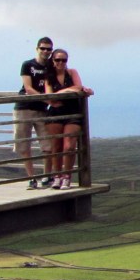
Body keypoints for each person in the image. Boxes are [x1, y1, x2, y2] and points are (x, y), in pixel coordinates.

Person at [42, 49, 93, 190]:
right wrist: (68, 91)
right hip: (55, 113)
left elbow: (77, 87)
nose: (60, 63)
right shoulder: (49, 77)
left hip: (73, 113)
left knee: (69, 146)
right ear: (52, 61)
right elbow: (50, 96)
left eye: (63, 60)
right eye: (57, 60)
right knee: (56, 147)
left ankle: (66, 176)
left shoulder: (72, 73)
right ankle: (57, 176)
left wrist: (61, 92)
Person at [18, 37, 54, 188]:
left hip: (41, 110)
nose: (45, 51)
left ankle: (47, 177)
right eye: (43, 48)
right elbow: (28, 88)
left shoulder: (51, 67)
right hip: (24, 108)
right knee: (24, 145)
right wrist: (48, 100)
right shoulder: (28, 64)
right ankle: (31, 178)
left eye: (48, 49)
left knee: (47, 145)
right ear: (37, 49)